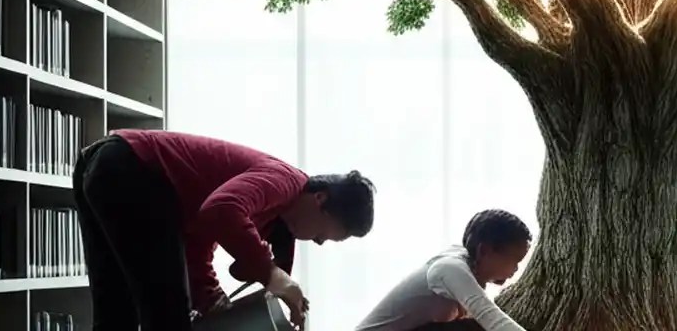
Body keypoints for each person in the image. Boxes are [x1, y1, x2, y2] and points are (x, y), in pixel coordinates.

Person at [72, 129, 375, 331]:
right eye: (324, 235)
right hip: (130, 168)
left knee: (116, 315)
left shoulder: (273, 218)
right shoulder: (285, 180)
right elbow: (221, 210)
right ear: (320, 199)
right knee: (166, 319)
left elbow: (197, 236)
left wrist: (210, 296)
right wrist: (274, 276)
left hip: (102, 165)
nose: (318, 242)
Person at [355, 209, 533, 331]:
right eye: (514, 260)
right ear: (484, 250)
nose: (516, 269)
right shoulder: (451, 269)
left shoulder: (468, 264)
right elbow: (492, 319)